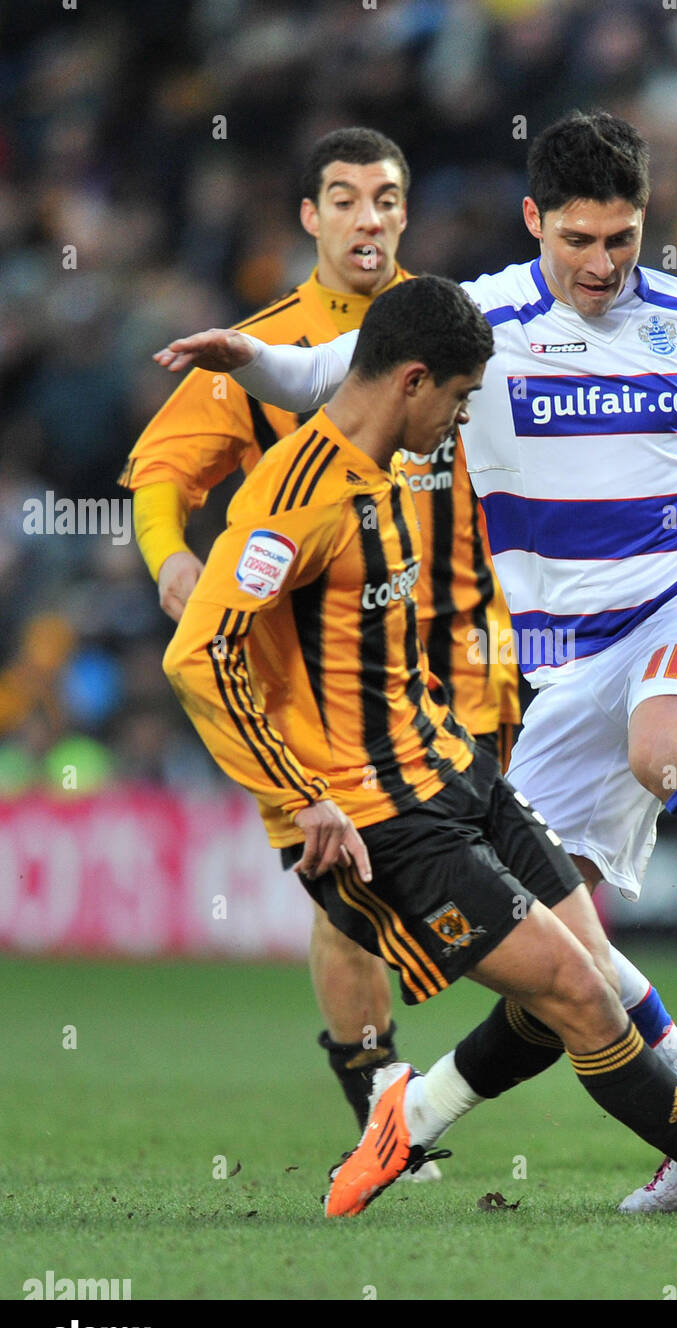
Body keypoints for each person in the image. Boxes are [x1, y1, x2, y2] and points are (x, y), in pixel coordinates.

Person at [157, 111, 677, 1215]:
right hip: (567, 667)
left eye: (622, 238)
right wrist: (251, 360)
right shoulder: (484, 318)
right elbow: (332, 369)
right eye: (578, 239)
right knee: (566, 950)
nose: (602, 264)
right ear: (533, 221)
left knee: (667, 750)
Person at [123, 127, 518, 1153]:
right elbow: (162, 470)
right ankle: (385, 1110)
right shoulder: (263, 347)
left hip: (461, 662)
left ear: (406, 212)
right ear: (309, 216)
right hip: (329, 687)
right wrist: (170, 557)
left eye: (385, 198)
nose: (367, 218)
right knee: (350, 902)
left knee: (539, 887)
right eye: (343, 199)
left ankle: (540, 1066)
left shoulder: (454, 326)